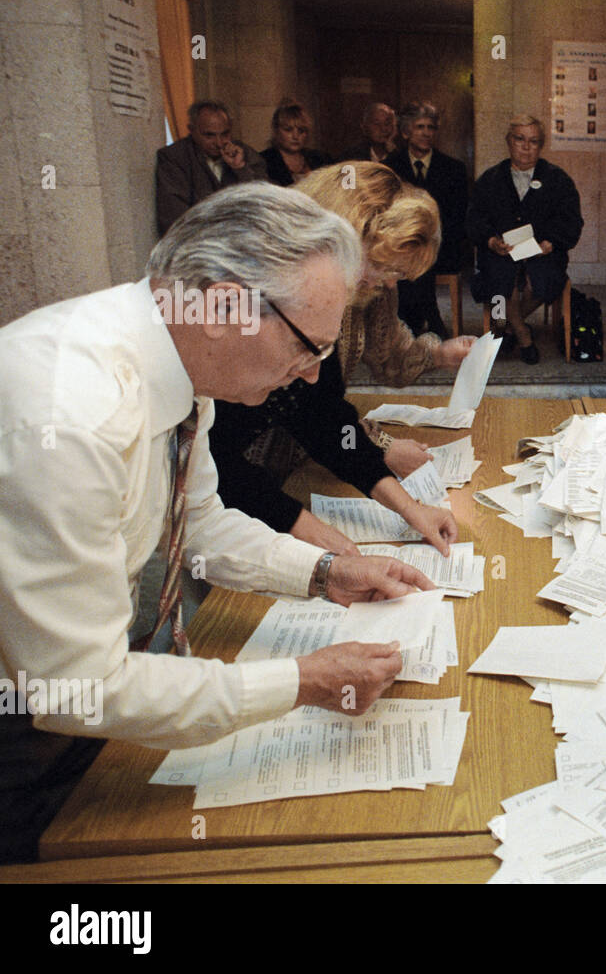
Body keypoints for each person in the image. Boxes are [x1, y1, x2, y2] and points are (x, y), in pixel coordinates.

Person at [0, 183, 438, 862]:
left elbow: (199, 520)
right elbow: (81, 686)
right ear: (221, 303)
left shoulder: (177, 364)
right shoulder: (73, 411)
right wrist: (304, 680)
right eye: (308, 347)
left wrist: (326, 573)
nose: (312, 375)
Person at [209, 165, 467, 551]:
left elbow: (324, 419)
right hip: (211, 499)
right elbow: (218, 467)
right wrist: (336, 547)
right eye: (383, 268)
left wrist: (411, 510)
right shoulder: (254, 302)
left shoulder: (321, 296)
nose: (387, 283)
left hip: (252, 489)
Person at [467, 115, 583, 364]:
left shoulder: (558, 179)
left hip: (542, 253)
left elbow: (572, 221)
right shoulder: (490, 179)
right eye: (520, 139)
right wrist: (490, 241)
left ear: (541, 146)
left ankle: (502, 330)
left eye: (534, 141)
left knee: (543, 278)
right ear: (509, 142)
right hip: (500, 252)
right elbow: (473, 219)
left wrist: (550, 242)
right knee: (499, 277)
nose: (526, 147)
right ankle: (522, 334)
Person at [385, 102, 469, 338]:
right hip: (402, 247)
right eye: (419, 127)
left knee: (421, 254)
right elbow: (386, 215)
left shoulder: (454, 169)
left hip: (443, 248)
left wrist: (432, 240)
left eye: (431, 127)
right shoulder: (389, 168)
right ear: (406, 131)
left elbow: (458, 217)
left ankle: (411, 321)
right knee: (410, 253)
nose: (425, 133)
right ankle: (430, 318)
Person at [154, 99, 267, 235]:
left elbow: (264, 201)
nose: (219, 143)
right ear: (192, 130)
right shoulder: (175, 158)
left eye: (225, 134)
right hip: (198, 243)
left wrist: (240, 168)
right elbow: (174, 217)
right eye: (209, 135)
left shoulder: (244, 153)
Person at [261, 99, 332, 187]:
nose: (295, 136)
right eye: (288, 130)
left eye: (301, 131)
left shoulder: (320, 159)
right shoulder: (264, 162)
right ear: (276, 130)